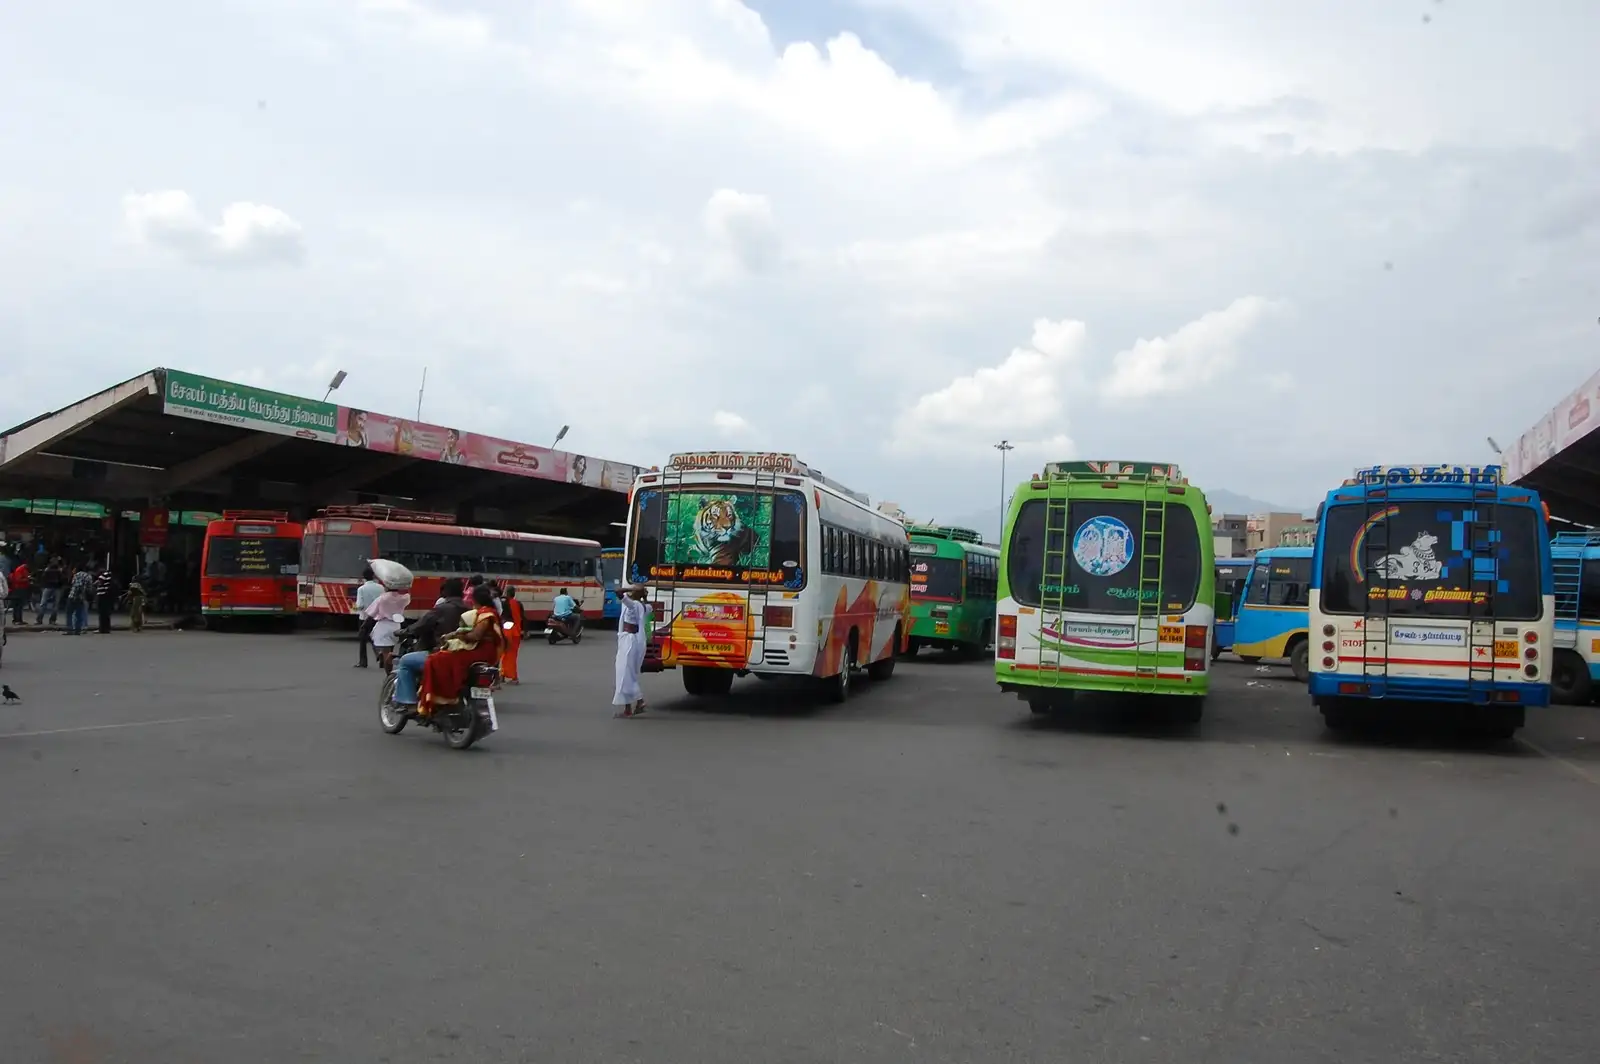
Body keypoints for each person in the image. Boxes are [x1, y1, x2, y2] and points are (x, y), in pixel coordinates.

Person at [400, 584, 505, 718]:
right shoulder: (481, 611)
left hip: (478, 651)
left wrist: (459, 636)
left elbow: (475, 636)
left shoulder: (485, 614)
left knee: (436, 660)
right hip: (484, 652)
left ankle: (437, 698)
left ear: (475, 599)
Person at [392, 578, 469, 709]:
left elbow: (421, 625)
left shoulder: (441, 609)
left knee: (405, 661)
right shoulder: (470, 609)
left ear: (445, 591)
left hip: (442, 654)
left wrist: (405, 631)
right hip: (465, 656)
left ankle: (407, 702)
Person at [612, 583, 649, 717]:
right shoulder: (644, 606)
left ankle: (640, 701)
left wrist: (630, 589)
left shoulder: (633, 605)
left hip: (629, 641)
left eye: (633, 589)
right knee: (625, 673)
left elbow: (617, 591)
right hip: (628, 640)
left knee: (626, 674)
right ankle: (628, 709)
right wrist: (639, 592)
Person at [365, 585, 412, 672]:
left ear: (386, 587)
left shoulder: (382, 598)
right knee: (390, 647)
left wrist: (364, 626)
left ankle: (388, 673)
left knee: (385, 651)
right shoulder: (403, 598)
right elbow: (408, 595)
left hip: (383, 625)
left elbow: (371, 614)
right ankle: (383, 657)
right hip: (396, 625)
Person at [354, 566, 383, 668]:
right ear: (373, 576)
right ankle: (380, 652)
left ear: (364, 577)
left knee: (363, 639)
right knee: (375, 637)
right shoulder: (381, 588)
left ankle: (363, 661)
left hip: (364, 617)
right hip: (377, 616)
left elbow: (360, 605)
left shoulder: (361, 589)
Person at [500, 585, 526, 684]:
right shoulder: (518, 603)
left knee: (503, 654)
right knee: (512, 655)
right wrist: (526, 631)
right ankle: (511, 676)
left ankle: (504, 675)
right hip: (515, 631)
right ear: (514, 594)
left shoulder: (502, 602)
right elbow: (523, 617)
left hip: (505, 630)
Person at [64, 563, 92, 635]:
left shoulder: (77, 575)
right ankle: (77, 629)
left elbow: (74, 584)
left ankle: (69, 629)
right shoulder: (89, 576)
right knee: (78, 614)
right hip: (81, 598)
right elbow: (89, 589)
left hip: (73, 596)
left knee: (69, 613)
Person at [36, 556, 64, 626]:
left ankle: (40, 619)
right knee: (55, 605)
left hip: (48, 587)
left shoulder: (47, 569)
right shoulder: (59, 570)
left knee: (43, 603)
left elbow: (43, 578)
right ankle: (52, 620)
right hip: (56, 587)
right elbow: (62, 579)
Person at [93, 567, 117, 634]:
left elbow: (97, 582)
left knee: (102, 614)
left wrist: (96, 583)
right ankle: (107, 628)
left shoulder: (104, 575)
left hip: (103, 596)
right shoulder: (110, 577)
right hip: (107, 596)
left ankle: (102, 628)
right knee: (106, 614)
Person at [6, 556, 28, 625]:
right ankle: (17, 619)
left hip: (19, 588)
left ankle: (18, 619)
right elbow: (18, 580)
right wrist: (27, 579)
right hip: (19, 589)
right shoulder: (20, 569)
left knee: (18, 605)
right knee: (18, 605)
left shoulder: (22, 569)